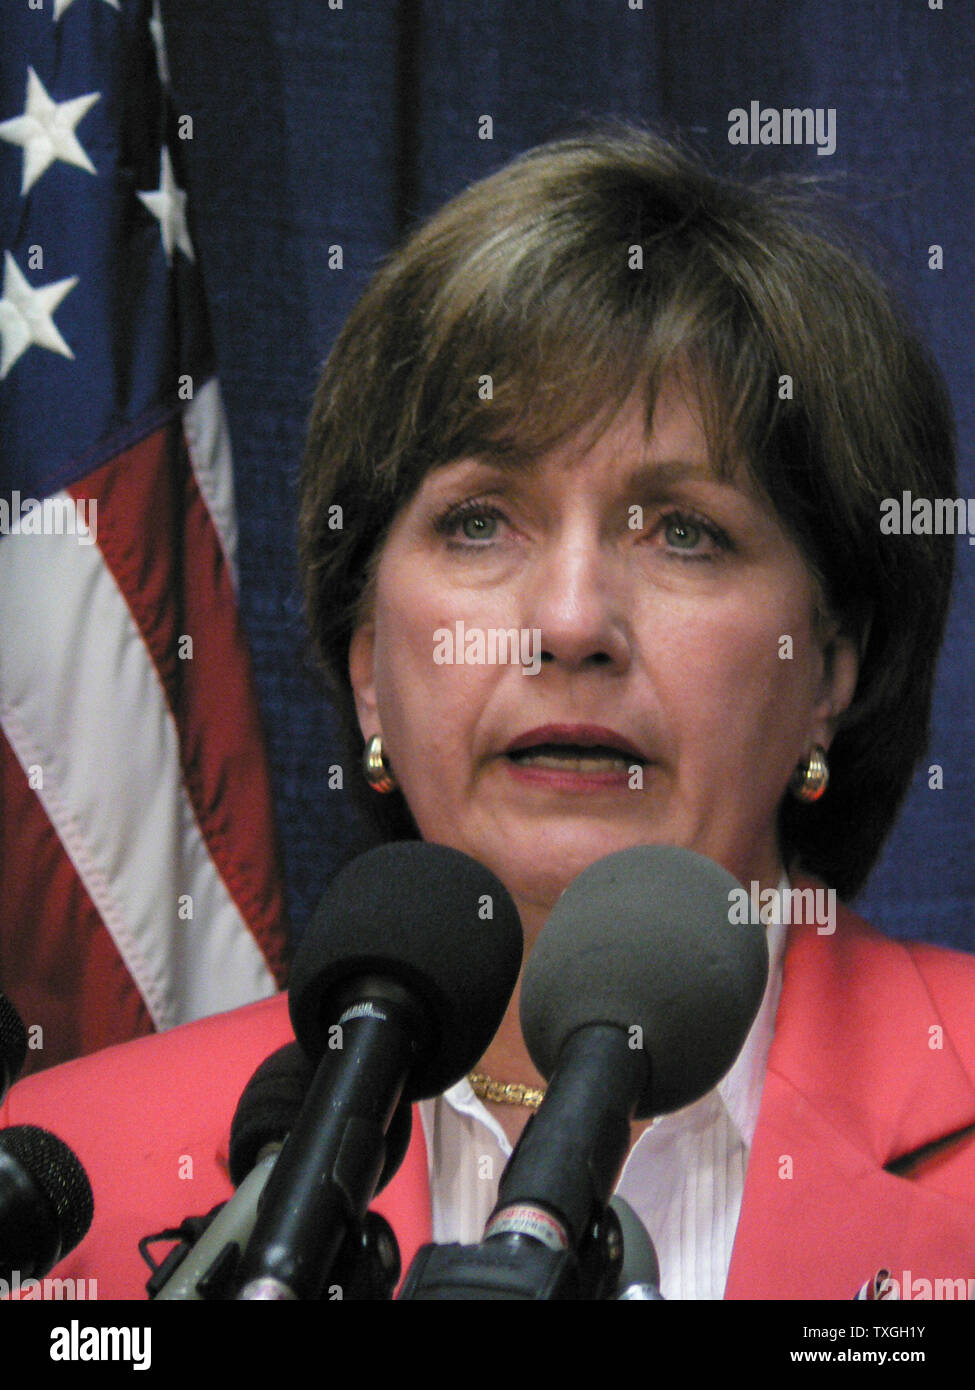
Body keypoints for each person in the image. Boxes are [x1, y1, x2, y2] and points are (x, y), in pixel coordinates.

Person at [4, 128, 974, 1302]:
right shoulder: (70, 1183)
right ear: (367, 667)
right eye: (479, 521)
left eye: (684, 530)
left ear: (830, 670)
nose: (571, 623)